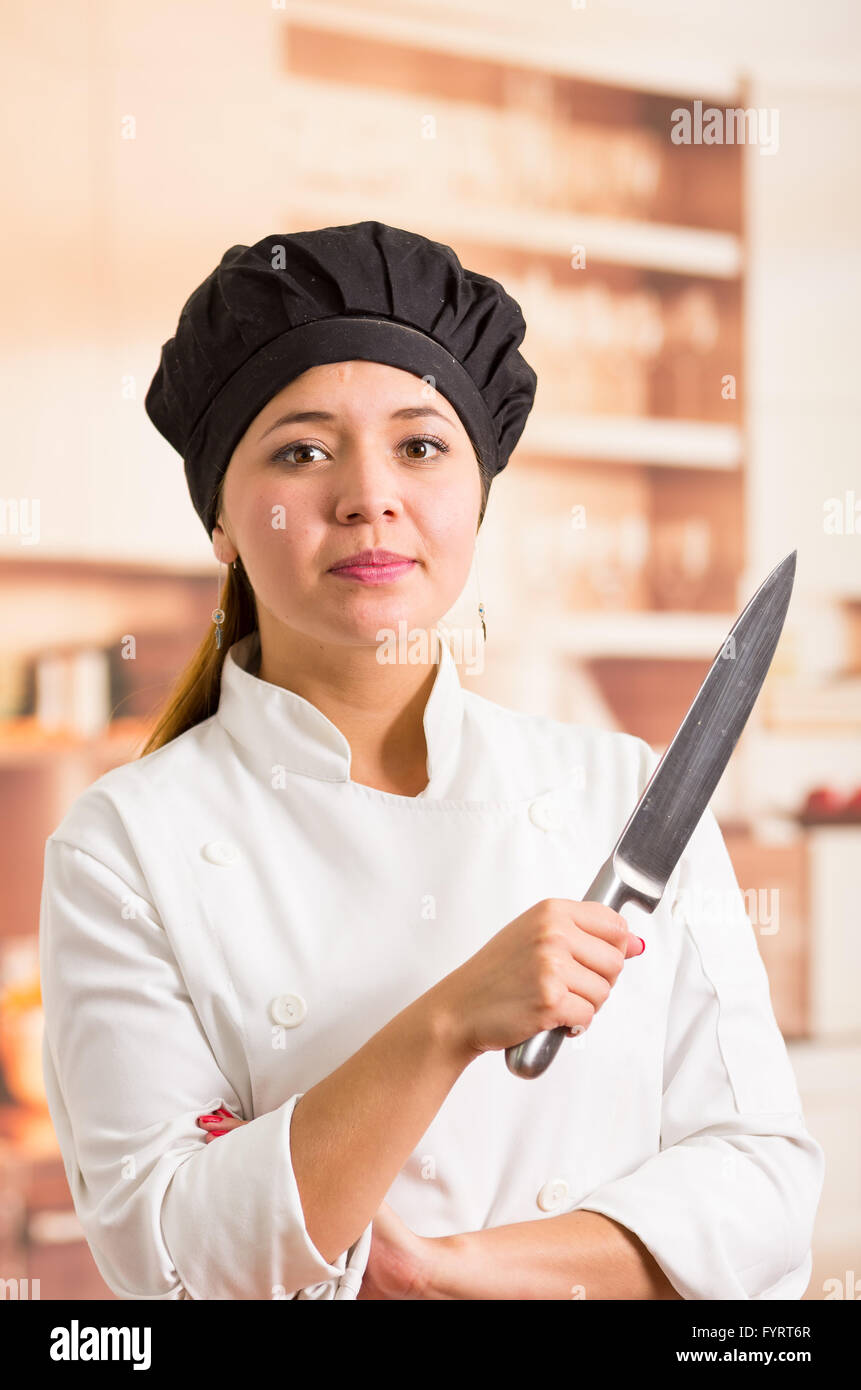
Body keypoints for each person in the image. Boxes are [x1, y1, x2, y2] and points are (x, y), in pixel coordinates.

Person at [38, 222, 824, 1301]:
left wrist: (459, 1275)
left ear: (477, 492)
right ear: (220, 516)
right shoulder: (125, 847)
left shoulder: (622, 792)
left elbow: (765, 1189)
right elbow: (175, 1256)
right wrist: (453, 1019)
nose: (371, 494)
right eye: (302, 450)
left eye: (420, 444)